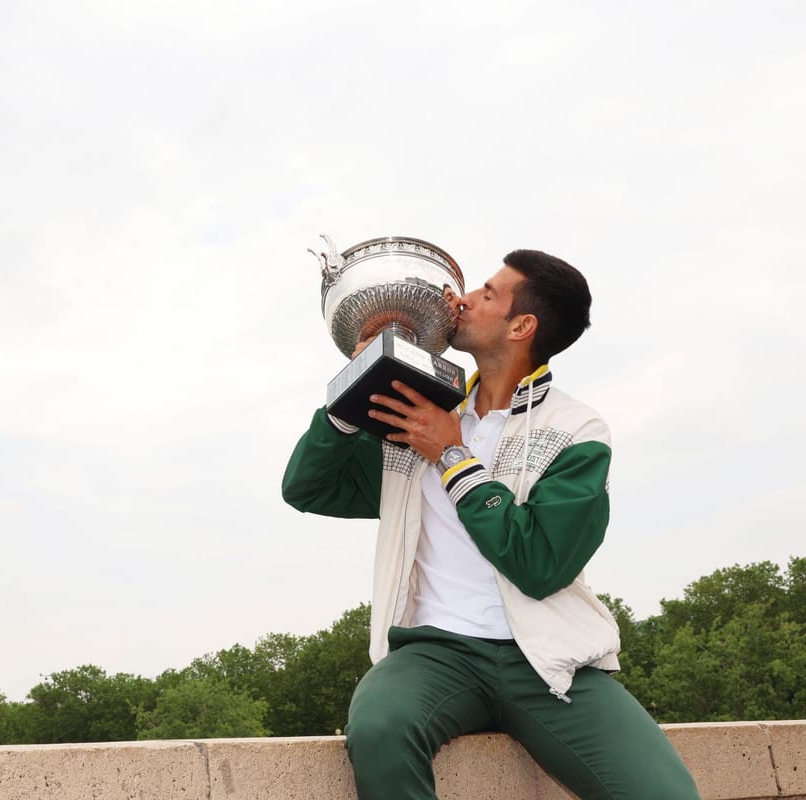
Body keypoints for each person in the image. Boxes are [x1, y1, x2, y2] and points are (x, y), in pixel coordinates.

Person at [282, 250, 699, 799]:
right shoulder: (416, 414)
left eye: (486, 293)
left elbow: (540, 563)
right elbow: (308, 488)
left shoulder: (576, 428)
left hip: (549, 663)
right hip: (435, 653)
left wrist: (454, 459)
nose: (463, 300)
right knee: (380, 727)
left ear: (521, 326)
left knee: (667, 796)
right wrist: (350, 392)